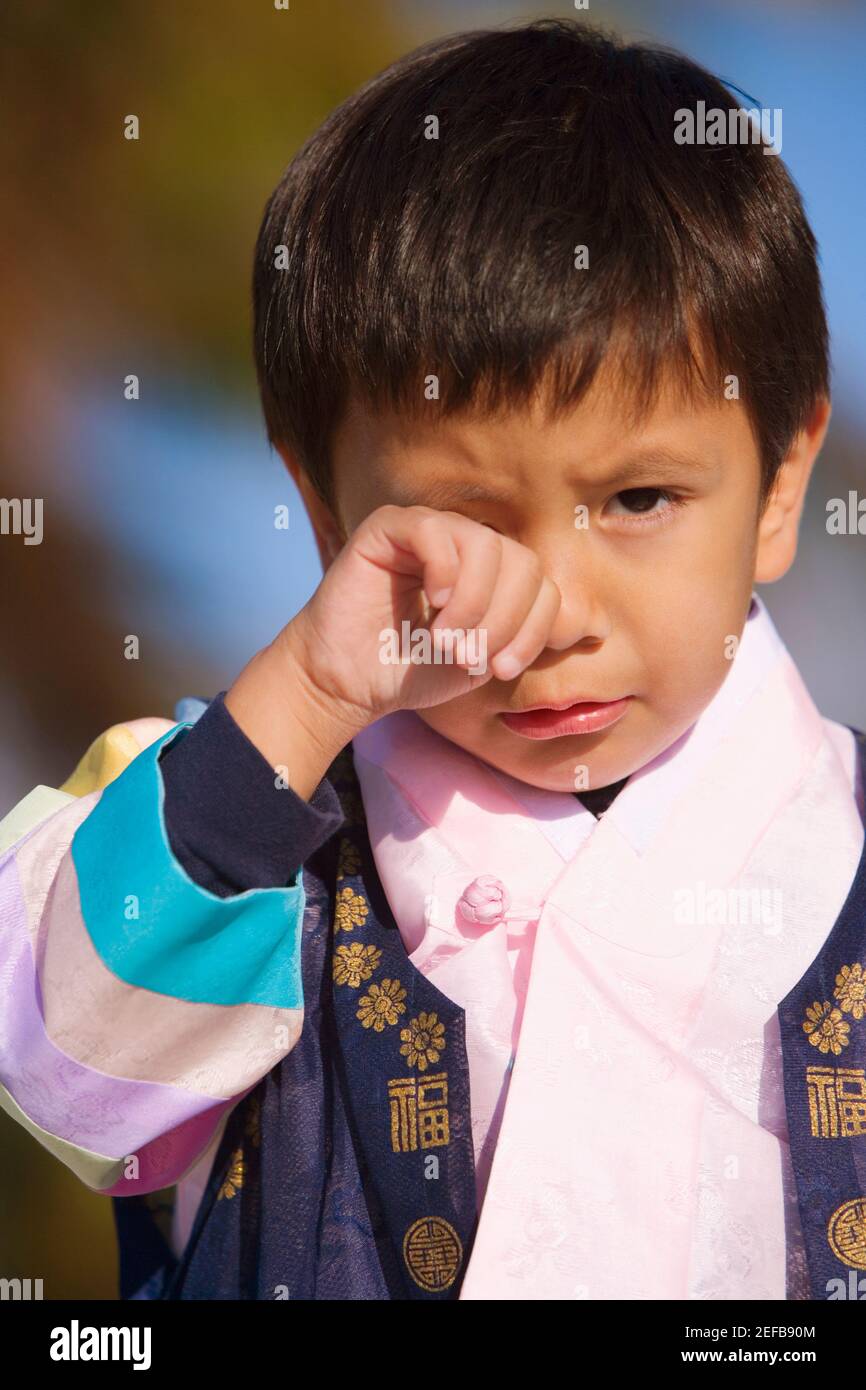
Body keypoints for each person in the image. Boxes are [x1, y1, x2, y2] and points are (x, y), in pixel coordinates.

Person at [2, 18, 865, 1301]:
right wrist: (300, 695)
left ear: (783, 482)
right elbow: (54, 1058)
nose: (559, 608)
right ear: (330, 511)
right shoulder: (239, 821)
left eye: (636, 499)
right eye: (464, 519)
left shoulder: (837, 846)